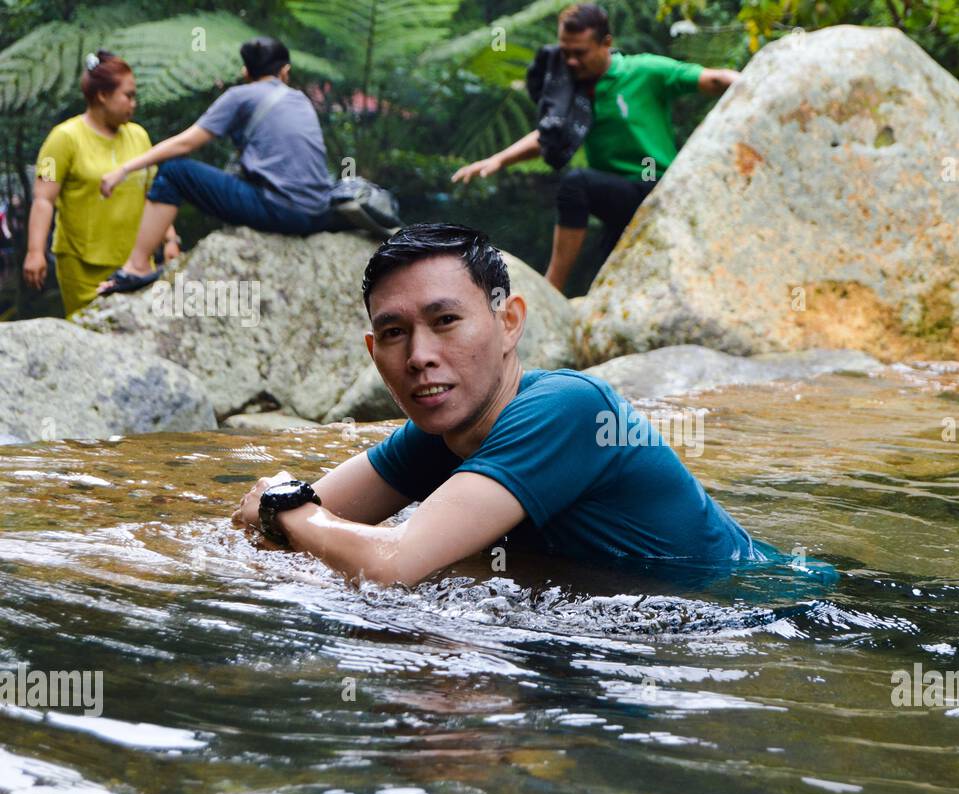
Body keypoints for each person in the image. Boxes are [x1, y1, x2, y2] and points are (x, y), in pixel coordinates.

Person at [230, 222, 779, 589]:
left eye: (446, 321)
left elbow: (391, 564)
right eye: (394, 333)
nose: (420, 356)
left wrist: (287, 507)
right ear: (374, 351)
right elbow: (267, 529)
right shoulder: (438, 436)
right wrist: (291, 514)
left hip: (772, 618)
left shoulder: (568, 410)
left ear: (509, 321)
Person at [450, 4, 740, 295]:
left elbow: (712, 79)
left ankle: (551, 288)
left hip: (655, 188)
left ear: (606, 43)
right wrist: (499, 160)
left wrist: (759, 80)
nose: (572, 62)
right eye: (566, 53)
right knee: (611, 288)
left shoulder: (644, 71)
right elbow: (549, 136)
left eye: (580, 53)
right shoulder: (576, 91)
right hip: (616, 204)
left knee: (576, 185)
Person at [97, 36, 335, 296]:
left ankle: (136, 267)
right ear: (285, 71)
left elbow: (185, 143)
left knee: (175, 172)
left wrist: (123, 169)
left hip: (280, 211)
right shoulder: (301, 100)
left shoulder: (241, 96)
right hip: (317, 214)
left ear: (246, 72)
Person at [22, 51, 178, 317]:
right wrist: (35, 251)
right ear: (102, 95)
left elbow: (153, 194)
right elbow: (43, 198)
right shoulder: (61, 139)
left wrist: (170, 239)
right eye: (128, 96)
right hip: (82, 265)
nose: (134, 103)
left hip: (136, 261)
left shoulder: (139, 137)